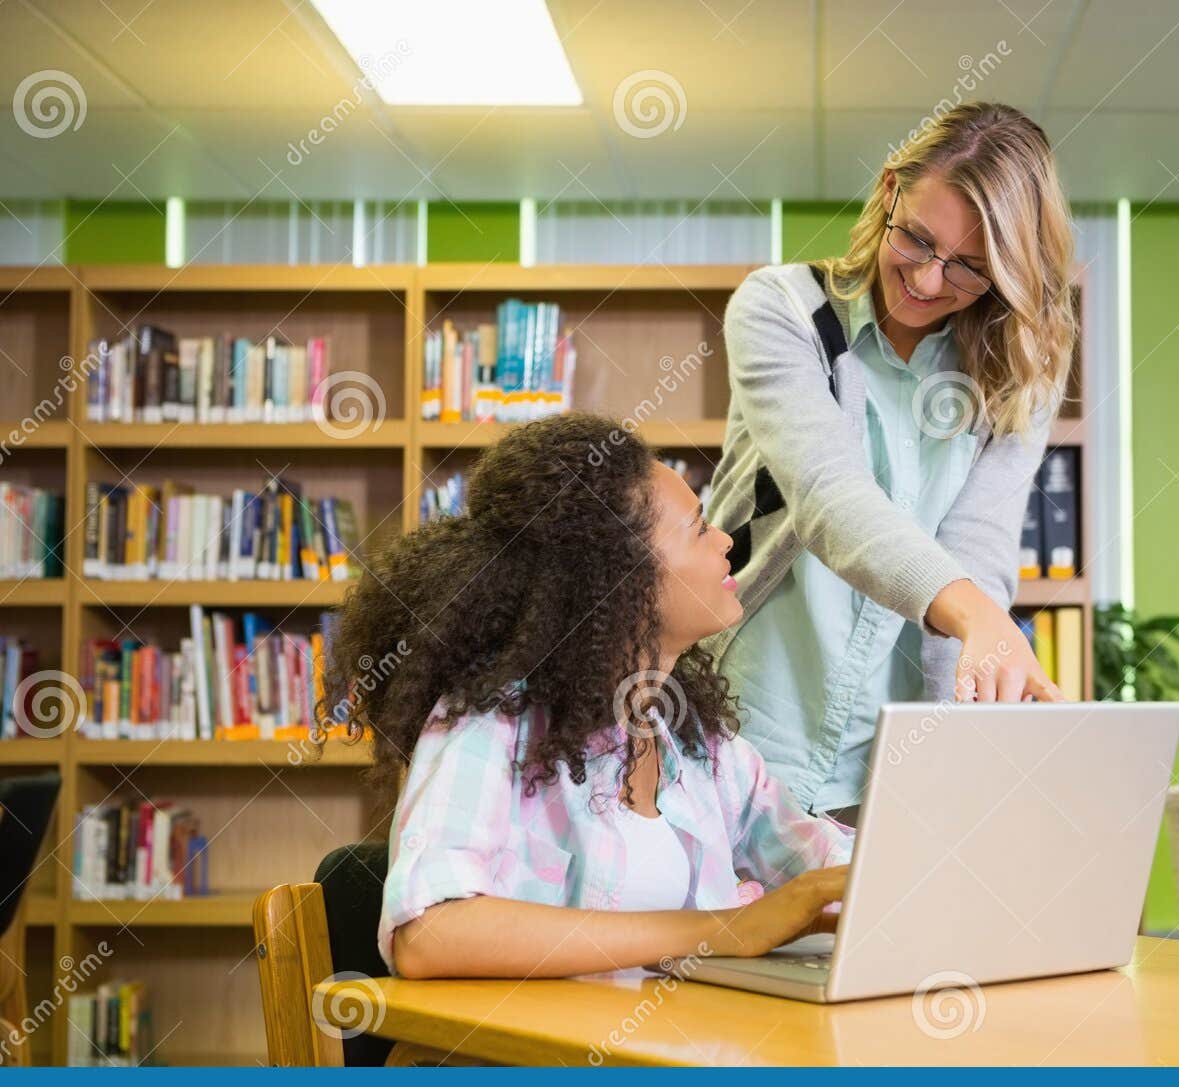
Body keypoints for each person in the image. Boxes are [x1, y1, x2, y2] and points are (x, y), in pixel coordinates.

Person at [320, 413, 851, 979]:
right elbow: (428, 934)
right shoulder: (492, 723)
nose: (725, 541)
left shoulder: (696, 743)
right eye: (698, 529)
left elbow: (826, 865)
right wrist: (723, 931)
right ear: (618, 577)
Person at [705, 102, 1079, 821]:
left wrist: (958, 738)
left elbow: (979, 543)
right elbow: (828, 496)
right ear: (888, 193)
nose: (930, 282)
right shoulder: (782, 309)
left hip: (895, 746)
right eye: (917, 239)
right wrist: (977, 615)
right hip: (750, 722)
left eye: (970, 267)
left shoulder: (1024, 366)